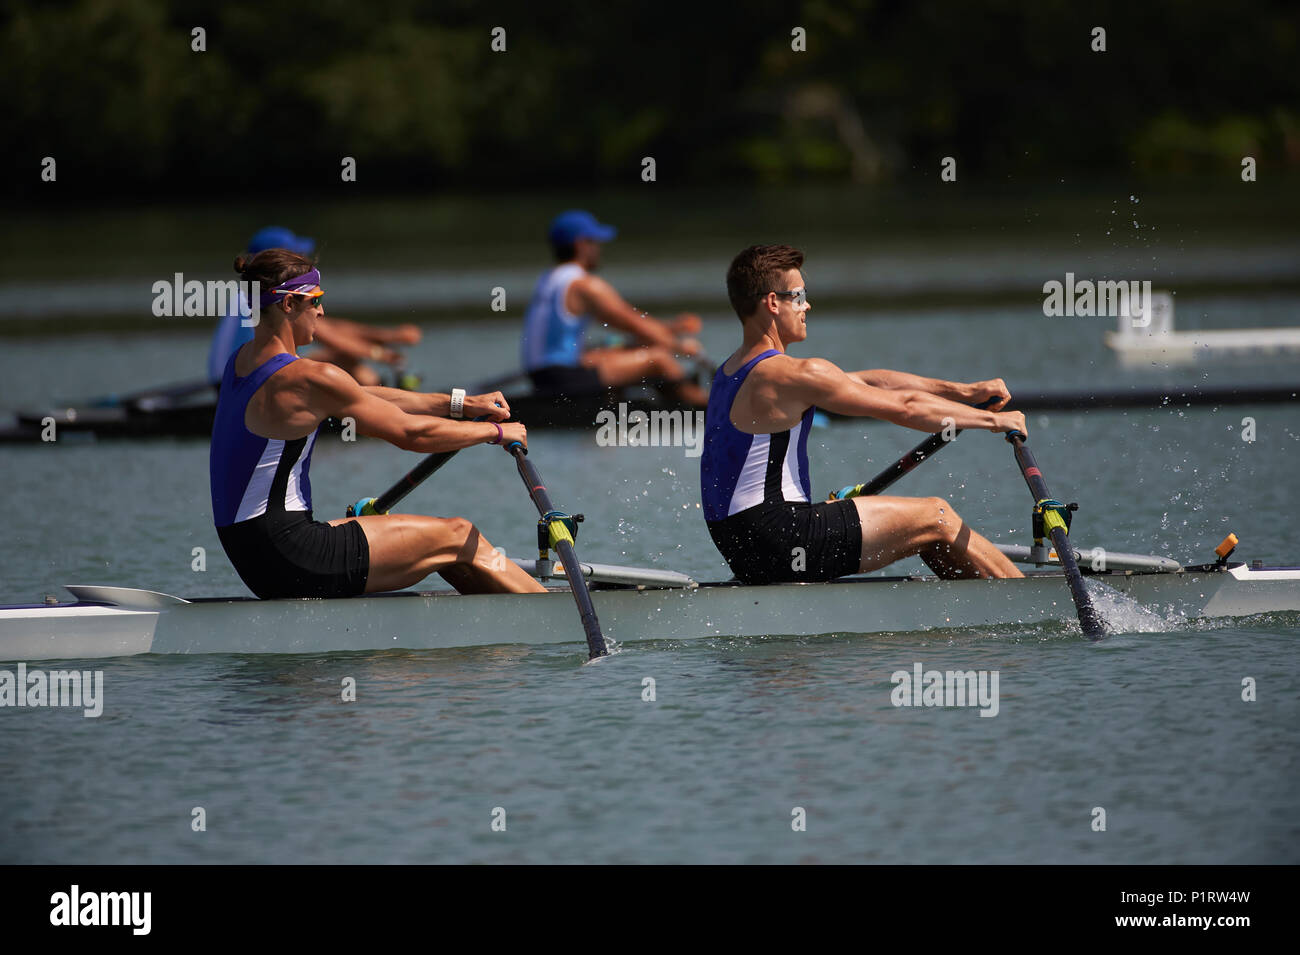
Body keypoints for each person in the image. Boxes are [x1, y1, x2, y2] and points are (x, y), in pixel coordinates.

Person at [210, 248, 545, 599]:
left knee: (440, 549)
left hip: (253, 556)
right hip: (292, 554)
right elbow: (411, 433)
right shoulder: (309, 376)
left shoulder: (241, 362)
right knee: (459, 534)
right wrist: (496, 431)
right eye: (316, 301)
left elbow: (359, 394)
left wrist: (459, 404)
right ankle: (557, 618)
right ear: (289, 305)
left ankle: (497, 631)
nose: (322, 312)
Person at [701, 244, 1027, 585]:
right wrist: (994, 421)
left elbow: (875, 381)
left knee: (917, 528)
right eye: (798, 296)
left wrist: (964, 392)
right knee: (937, 516)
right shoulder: (791, 374)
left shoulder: (729, 374)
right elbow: (905, 407)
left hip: (740, 546)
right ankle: (1025, 602)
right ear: (772, 302)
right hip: (784, 537)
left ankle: (977, 601)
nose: (806, 305)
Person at [520, 210, 709, 406]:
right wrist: (678, 346)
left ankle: (638, 407)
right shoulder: (584, 285)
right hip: (562, 378)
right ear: (581, 244)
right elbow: (634, 323)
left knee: (630, 348)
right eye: (595, 242)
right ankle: (706, 411)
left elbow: (627, 324)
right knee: (659, 360)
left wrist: (671, 329)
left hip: (542, 375)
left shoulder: (549, 280)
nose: (599, 249)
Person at [207, 226, 422, 387]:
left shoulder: (251, 293)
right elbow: (330, 336)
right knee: (343, 360)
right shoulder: (273, 298)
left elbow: (328, 326)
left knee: (337, 359)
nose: (305, 260)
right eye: (297, 256)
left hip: (233, 375)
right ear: (279, 261)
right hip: (246, 379)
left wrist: (389, 337)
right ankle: (365, 410)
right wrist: (383, 355)